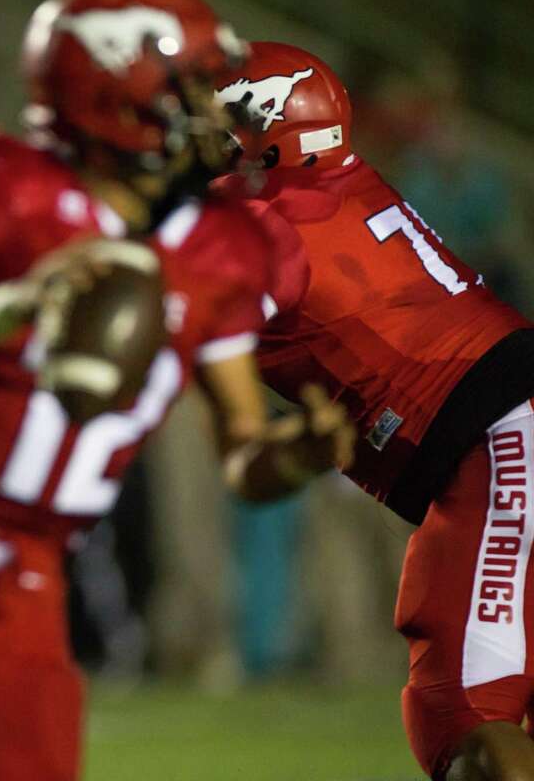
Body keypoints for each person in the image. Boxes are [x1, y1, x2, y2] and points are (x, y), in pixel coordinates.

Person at [0, 0, 354, 780]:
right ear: (118, 90)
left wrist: (299, 455)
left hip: (32, 579)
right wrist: (6, 308)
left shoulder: (226, 248)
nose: (217, 108)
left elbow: (244, 455)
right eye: (191, 84)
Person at [214, 41, 534, 781]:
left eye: (213, 119)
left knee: (465, 723)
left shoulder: (258, 225)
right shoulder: (347, 182)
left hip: (500, 435)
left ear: (260, 132)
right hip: (506, 408)